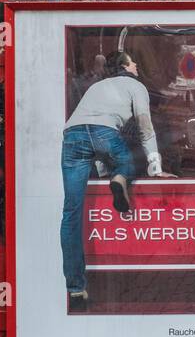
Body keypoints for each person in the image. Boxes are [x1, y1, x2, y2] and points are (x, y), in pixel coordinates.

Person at [60, 50, 175, 310]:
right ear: (125, 65)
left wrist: (100, 172)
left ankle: (76, 290)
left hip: (72, 135)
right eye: (134, 61)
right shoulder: (135, 85)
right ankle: (120, 178)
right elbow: (145, 127)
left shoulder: (97, 87)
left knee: (71, 214)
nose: (136, 65)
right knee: (126, 162)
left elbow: (89, 132)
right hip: (105, 132)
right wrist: (155, 168)